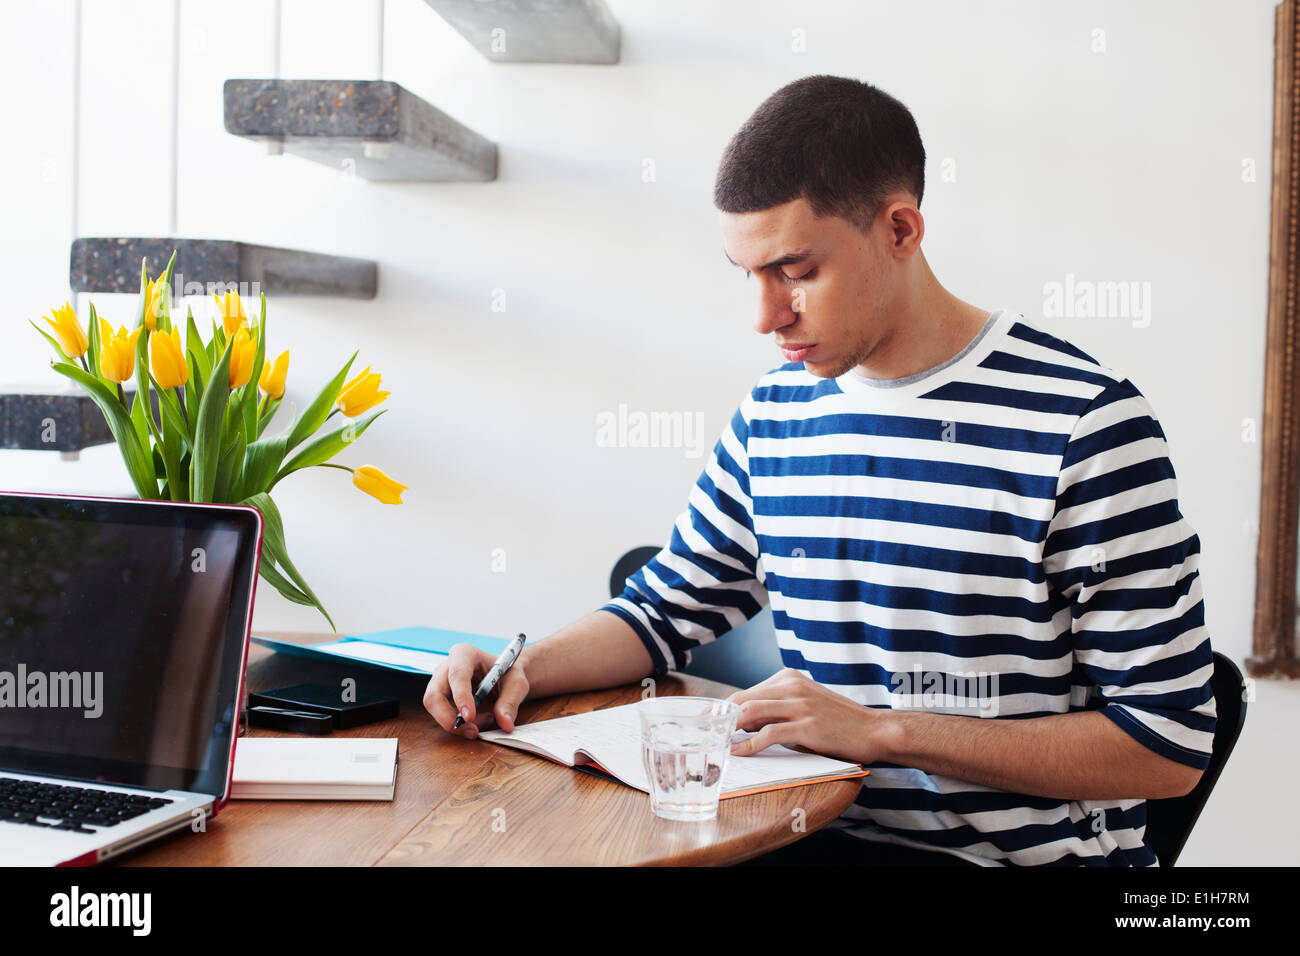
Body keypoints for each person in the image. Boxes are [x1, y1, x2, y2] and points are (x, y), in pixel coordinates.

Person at [423, 74, 1217, 867]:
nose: (765, 318)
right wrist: (519, 668)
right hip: (795, 836)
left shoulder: (1085, 425)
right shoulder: (776, 414)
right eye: (750, 276)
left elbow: (1167, 746)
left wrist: (880, 733)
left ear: (900, 230)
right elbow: (665, 609)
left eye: (796, 272)